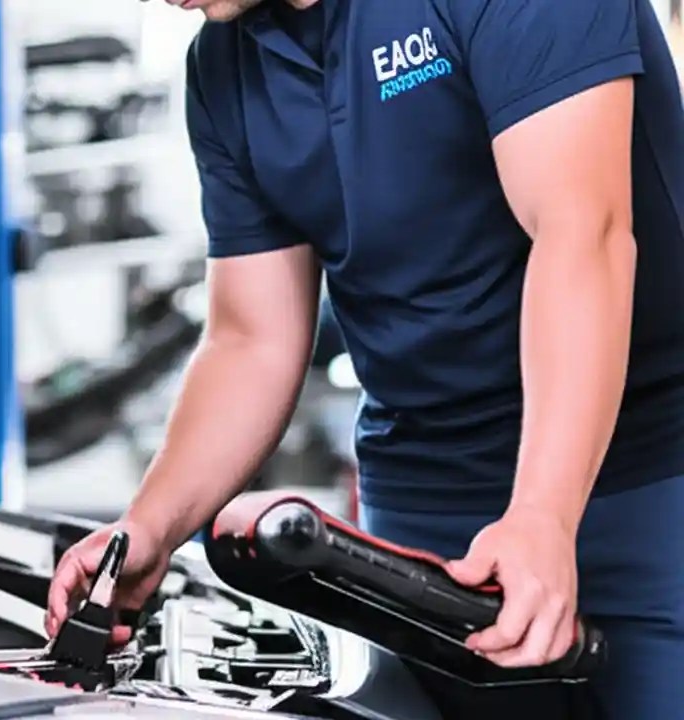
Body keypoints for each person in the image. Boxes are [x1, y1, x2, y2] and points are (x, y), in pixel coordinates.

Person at [45, 0, 684, 717]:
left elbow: (582, 235)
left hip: (652, 487)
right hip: (424, 515)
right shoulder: (223, 65)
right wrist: (150, 528)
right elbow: (252, 339)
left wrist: (541, 515)